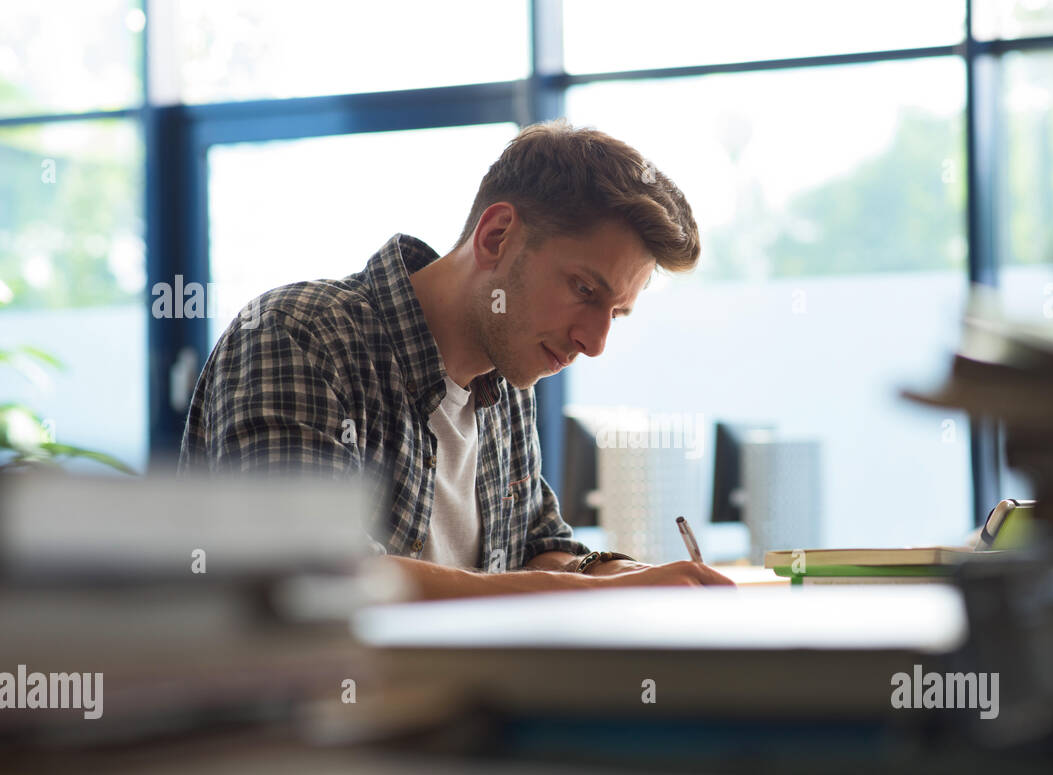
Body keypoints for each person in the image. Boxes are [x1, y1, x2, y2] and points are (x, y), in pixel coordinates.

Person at [179, 119, 734, 599]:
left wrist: (625, 575)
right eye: (585, 290)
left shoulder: (509, 380)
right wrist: (592, 593)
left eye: (615, 313)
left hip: (460, 709)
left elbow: (538, 546)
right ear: (496, 236)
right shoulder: (301, 336)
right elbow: (314, 576)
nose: (594, 342)